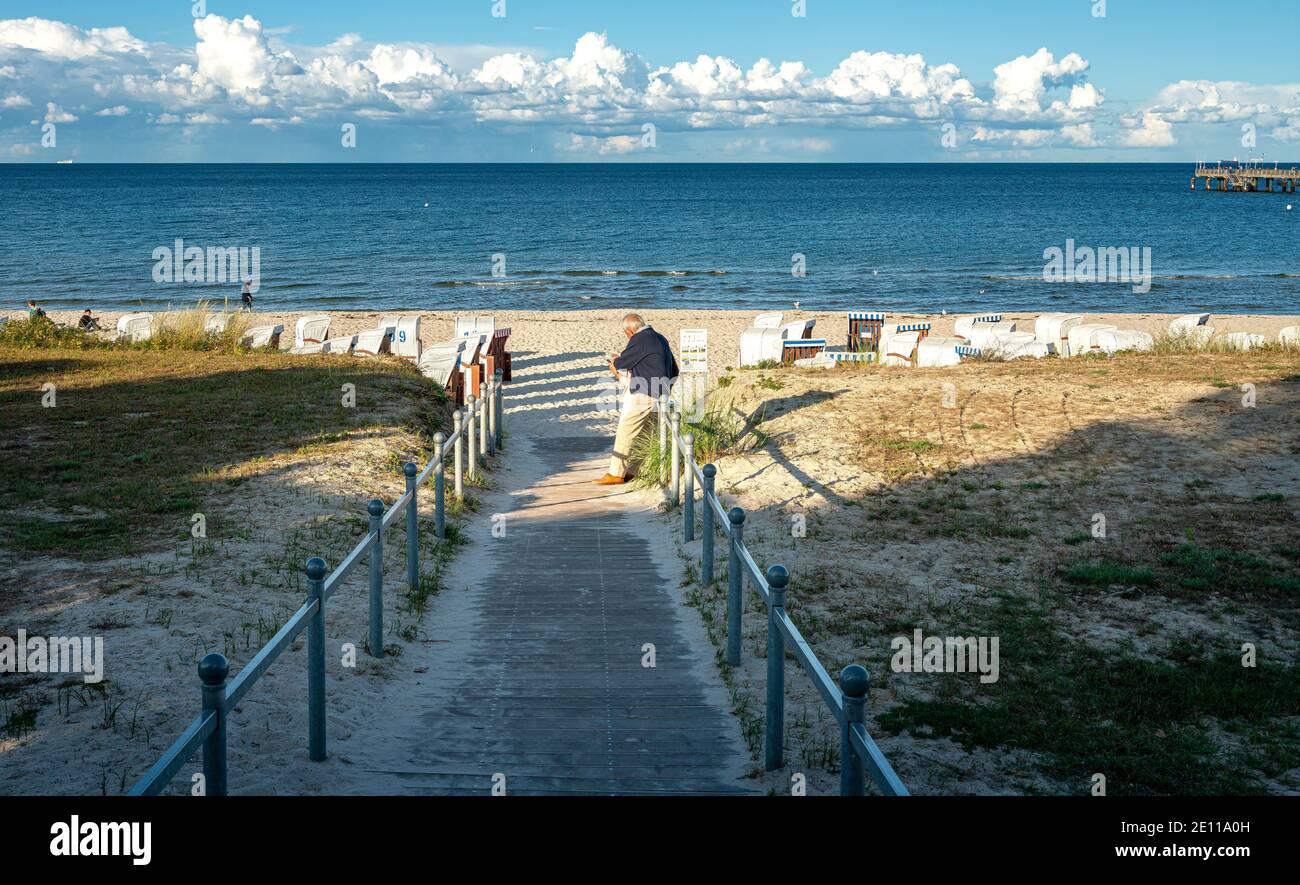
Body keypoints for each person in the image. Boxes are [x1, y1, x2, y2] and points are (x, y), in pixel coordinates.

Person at [596, 313, 679, 486]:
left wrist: (614, 361)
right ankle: (633, 471)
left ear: (629, 330)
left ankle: (616, 473)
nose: (627, 337)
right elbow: (675, 369)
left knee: (626, 431)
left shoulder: (640, 339)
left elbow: (621, 363)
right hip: (661, 392)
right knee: (645, 434)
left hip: (644, 393)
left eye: (626, 334)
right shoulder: (660, 338)